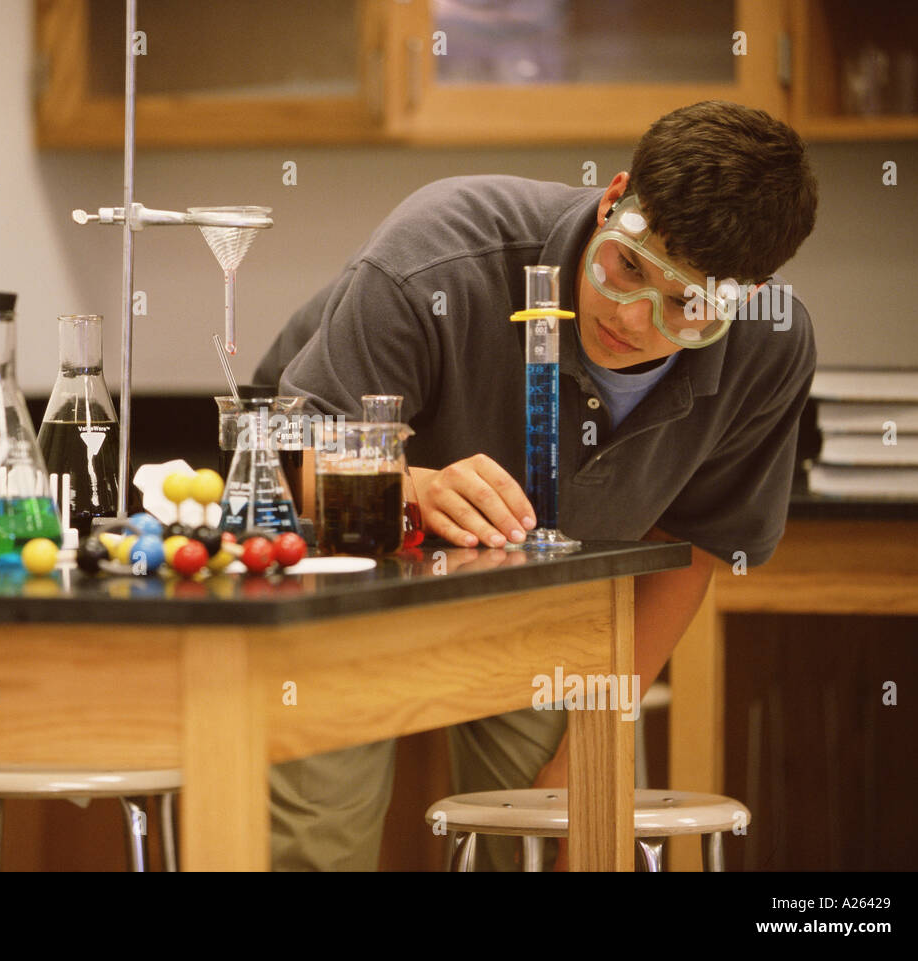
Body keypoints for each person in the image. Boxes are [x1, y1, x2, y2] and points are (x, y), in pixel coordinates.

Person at [253, 100, 819, 871]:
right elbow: (285, 461)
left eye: (687, 305)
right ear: (614, 198)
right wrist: (411, 486)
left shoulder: (769, 351)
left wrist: (597, 730)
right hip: (346, 564)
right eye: (626, 266)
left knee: (549, 835)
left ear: (746, 298)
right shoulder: (439, 250)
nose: (632, 315)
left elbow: (693, 543)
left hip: (541, 592)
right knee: (322, 839)